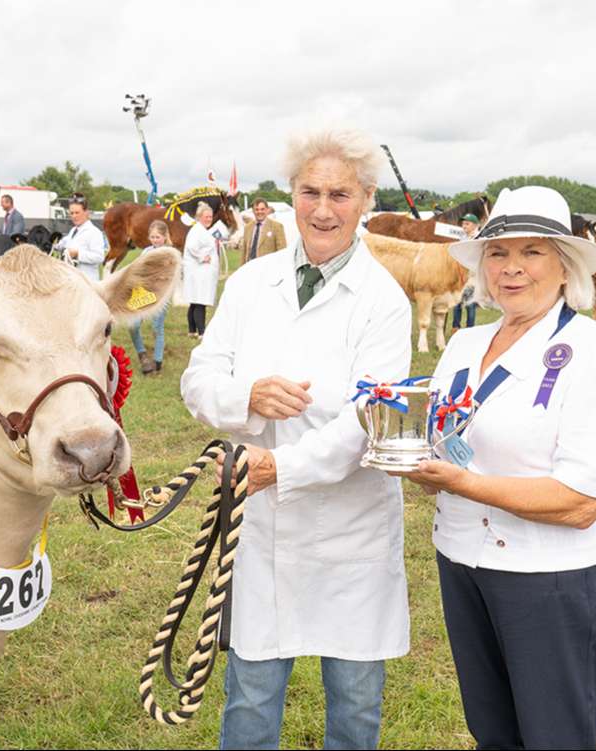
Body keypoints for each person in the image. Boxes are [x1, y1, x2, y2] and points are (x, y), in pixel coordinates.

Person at [181, 128, 412, 750]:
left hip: (351, 528)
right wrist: (244, 396)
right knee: (251, 698)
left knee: (356, 704)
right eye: (309, 191)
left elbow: (370, 417)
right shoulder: (252, 283)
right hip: (260, 529)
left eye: (340, 193)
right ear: (290, 195)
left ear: (365, 199)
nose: (323, 208)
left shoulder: (385, 303)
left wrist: (281, 468)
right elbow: (199, 377)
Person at [400, 186, 596, 750]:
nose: (511, 269)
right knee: (493, 732)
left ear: (564, 266)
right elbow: (442, 434)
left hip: (548, 577)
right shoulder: (462, 343)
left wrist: (464, 483)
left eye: (531, 252)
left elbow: (581, 504)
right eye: (498, 253)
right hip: (461, 560)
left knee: (554, 734)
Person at [129, 220, 171, 374]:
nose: (155, 240)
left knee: (156, 327)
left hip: (160, 294)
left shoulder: (169, 253)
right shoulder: (146, 251)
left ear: (165, 237)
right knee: (133, 324)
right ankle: (142, 354)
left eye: (158, 237)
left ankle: (157, 361)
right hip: (144, 293)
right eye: (152, 237)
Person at [182, 202, 220, 338]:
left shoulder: (201, 230)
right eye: (206, 217)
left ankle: (192, 330)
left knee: (194, 301)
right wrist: (202, 257)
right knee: (200, 301)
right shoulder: (197, 230)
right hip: (198, 272)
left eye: (210, 217)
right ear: (199, 217)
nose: (209, 219)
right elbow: (192, 247)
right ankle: (202, 332)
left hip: (199, 272)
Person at [56, 194, 106, 281]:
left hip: (87, 283)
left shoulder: (94, 232)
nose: (74, 216)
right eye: (71, 213)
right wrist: (53, 244)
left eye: (77, 213)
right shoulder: (73, 231)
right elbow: (61, 244)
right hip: (71, 281)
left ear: (86, 212)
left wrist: (77, 254)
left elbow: (99, 257)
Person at [451, 213, 481, 333]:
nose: (464, 226)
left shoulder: (478, 238)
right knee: (457, 301)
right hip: (460, 274)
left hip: (473, 274)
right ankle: (456, 327)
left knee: (470, 303)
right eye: (463, 224)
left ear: (475, 225)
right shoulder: (462, 238)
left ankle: (470, 329)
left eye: (467, 224)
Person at [239, 197, 287, 264]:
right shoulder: (247, 227)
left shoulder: (277, 227)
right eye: (257, 209)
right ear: (253, 211)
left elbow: (282, 252)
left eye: (262, 209)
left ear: (267, 210)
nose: (259, 212)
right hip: (249, 268)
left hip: (268, 270)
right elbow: (244, 252)